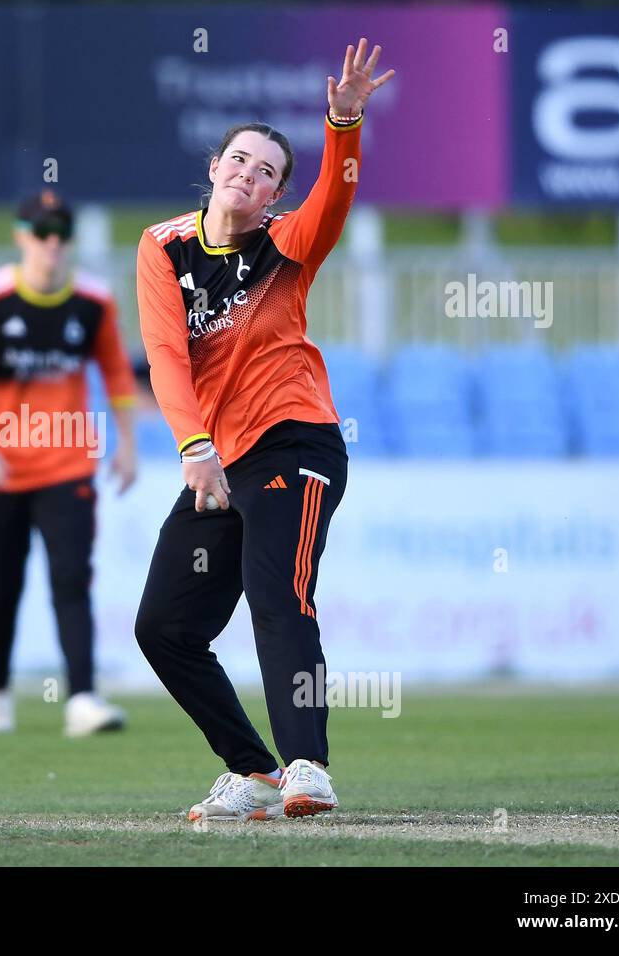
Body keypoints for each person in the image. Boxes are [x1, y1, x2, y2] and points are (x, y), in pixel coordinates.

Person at [133, 39, 393, 821]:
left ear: (277, 191)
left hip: (295, 444)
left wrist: (341, 126)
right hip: (217, 459)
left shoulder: (287, 243)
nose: (249, 176)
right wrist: (194, 447)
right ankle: (252, 772)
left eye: (268, 171)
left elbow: (335, 202)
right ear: (214, 167)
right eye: (239, 161)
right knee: (165, 628)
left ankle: (307, 765)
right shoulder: (163, 246)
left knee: (277, 593)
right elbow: (163, 356)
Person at [0, 189, 137, 737]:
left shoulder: (95, 301)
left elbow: (118, 376)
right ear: (21, 236)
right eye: (40, 233)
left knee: (72, 580)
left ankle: (81, 698)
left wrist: (126, 444)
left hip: (67, 465)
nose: (51, 245)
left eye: (60, 234)